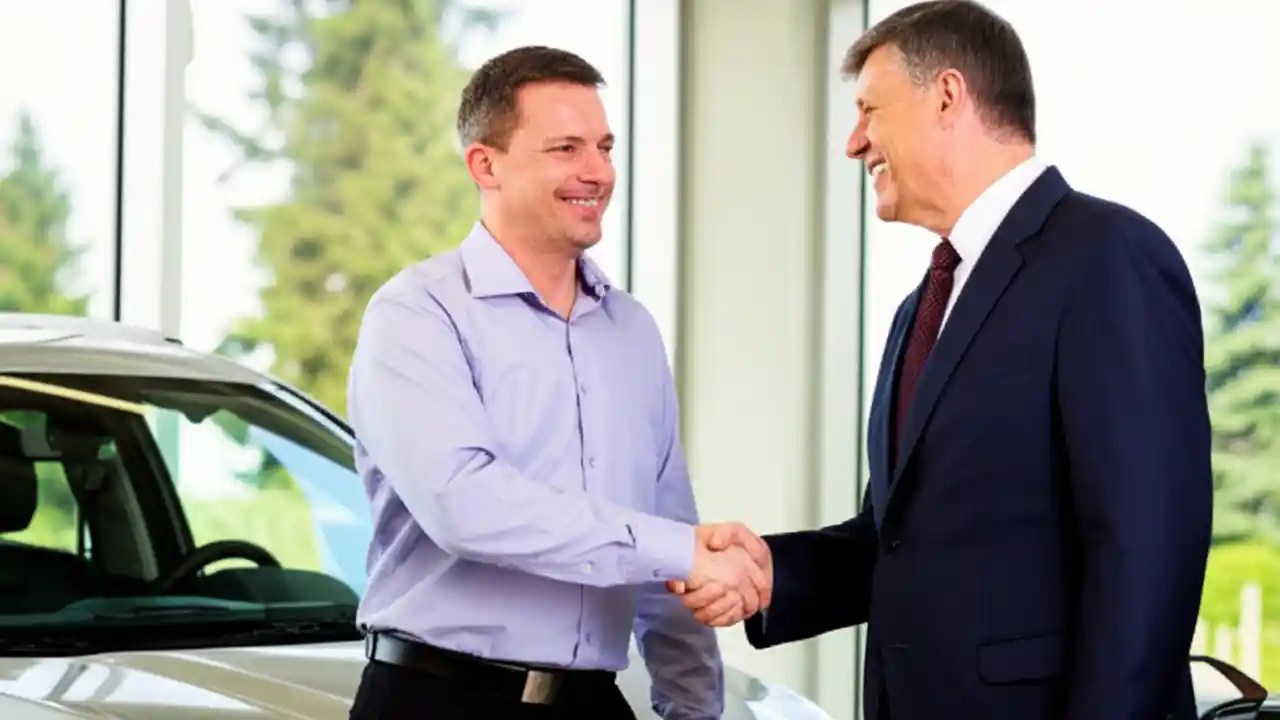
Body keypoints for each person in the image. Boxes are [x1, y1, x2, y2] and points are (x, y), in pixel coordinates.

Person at [675, 2, 1214, 719]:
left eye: (869, 110)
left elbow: (1147, 551)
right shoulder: (921, 308)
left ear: (948, 96)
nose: (854, 143)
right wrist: (771, 571)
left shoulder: (1109, 258)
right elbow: (898, 540)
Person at [345, 46, 769, 720]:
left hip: (592, 704)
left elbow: (666, 538)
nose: (597, 171)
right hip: (438, 699)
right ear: (485, 165)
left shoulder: (631, 331)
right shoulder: (417, 314)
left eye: (604, 147)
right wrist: (681, 550)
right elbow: (466, 505)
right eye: (566, 149)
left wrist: (694, 710)